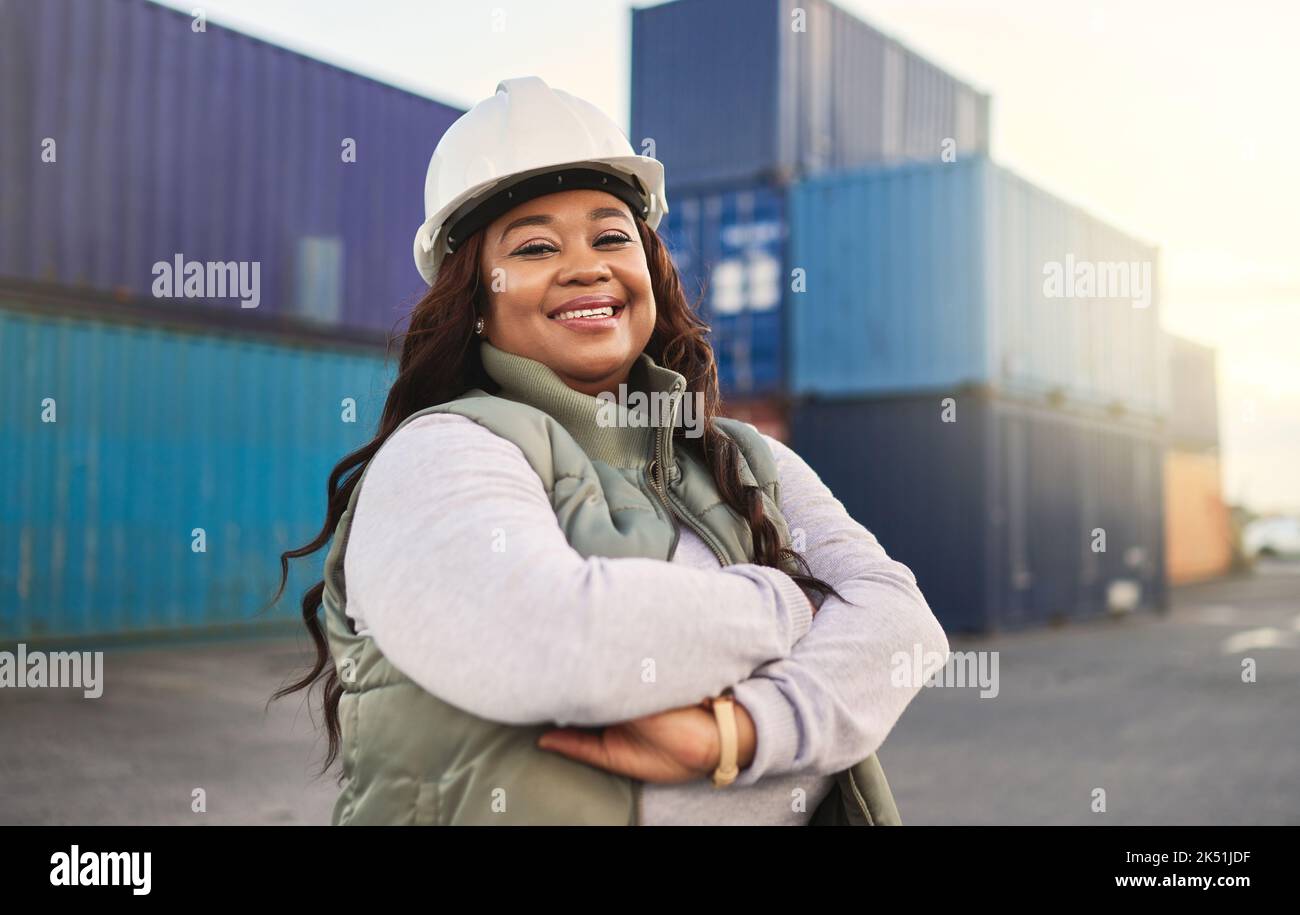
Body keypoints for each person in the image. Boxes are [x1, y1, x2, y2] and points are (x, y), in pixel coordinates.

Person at [272, 76, 950, 825]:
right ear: (474, 301)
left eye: (611, 235)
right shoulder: (438, 455)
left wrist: (740, 731)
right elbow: (560, 642)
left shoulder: (743, 458)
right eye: (534, 246)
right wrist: (797, 601)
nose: (586, 265)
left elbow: (902, 621)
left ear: (648, 269)